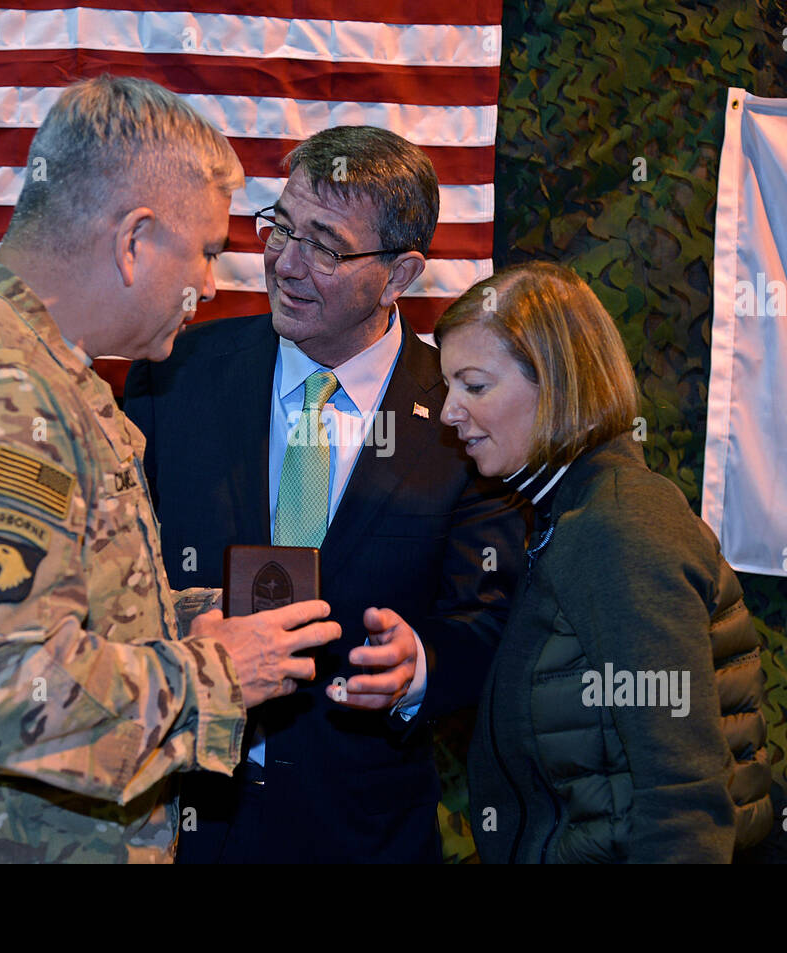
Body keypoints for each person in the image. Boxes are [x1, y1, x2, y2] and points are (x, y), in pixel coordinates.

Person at [0, 76, 341, 864]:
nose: (210, 286)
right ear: (134, 239)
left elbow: (48, 607)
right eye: (205, 253)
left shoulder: (46, 379)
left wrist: (187, 618)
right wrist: (216, 673)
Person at [123, 126, 527, 863]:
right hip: (181, 825)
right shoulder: (178, 371)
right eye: (281, 227)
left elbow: (491, 615)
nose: (286, 263)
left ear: (400, 275)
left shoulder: (459, 415)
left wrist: (421, 665)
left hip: (363, 833)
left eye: (326, 246)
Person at [436, 261, 772, 863]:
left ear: (558, 383)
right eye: (449, 388)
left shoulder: (621, 525)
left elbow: (683, 794)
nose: (449, 412)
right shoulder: (568, 512)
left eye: (475, 386)